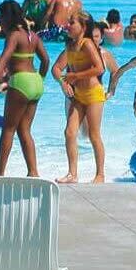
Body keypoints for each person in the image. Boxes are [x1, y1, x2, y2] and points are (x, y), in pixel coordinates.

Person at [0, 0, 50, 177]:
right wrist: (40, 79)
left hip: (20, 82)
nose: (0, 24)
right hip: (36, 83)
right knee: (25, 130)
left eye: (1, 19)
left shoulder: (14, 35)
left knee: (8, 128)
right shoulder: (33, 35)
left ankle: (0, 174)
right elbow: (45, 60)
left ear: (9, 18)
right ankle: (33, 171)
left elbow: (4, 59)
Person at [51, 12, 106, 183]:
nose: (68, 25)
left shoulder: (87, 44)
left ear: (83, 27)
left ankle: (100, 174)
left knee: (94, 135)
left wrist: (76, 76)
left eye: (72, 23)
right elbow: (56, 68)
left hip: (93, 95)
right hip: (78, 95)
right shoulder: (70, 45)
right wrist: (63, 83)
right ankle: (72, 174)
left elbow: (99, 69)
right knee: (69, 133)